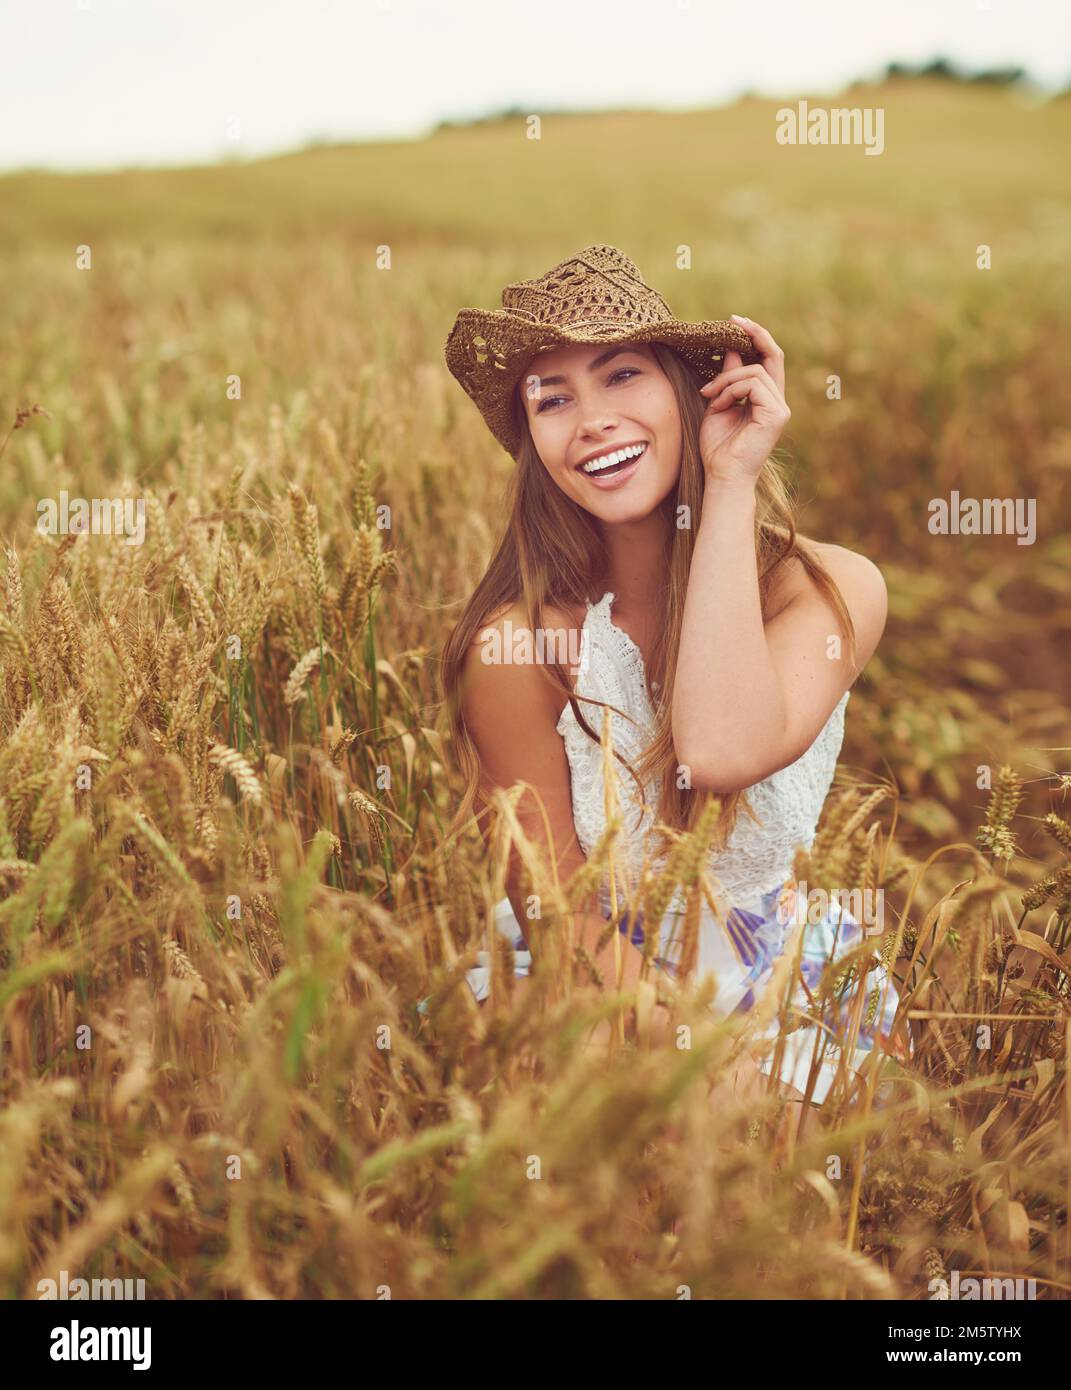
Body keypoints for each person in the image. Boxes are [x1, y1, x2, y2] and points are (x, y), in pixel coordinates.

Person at [435, 244, 910, 1107]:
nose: (590, 421)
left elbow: (722, 749)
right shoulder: (516, 646)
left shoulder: (834, 591)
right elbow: (561, 905)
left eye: (621, 376)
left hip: (786, 971)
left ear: (694, 395)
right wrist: (694, 1064)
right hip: (592, 981)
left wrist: (730, 483)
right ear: (530, 442)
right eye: (552, 400)